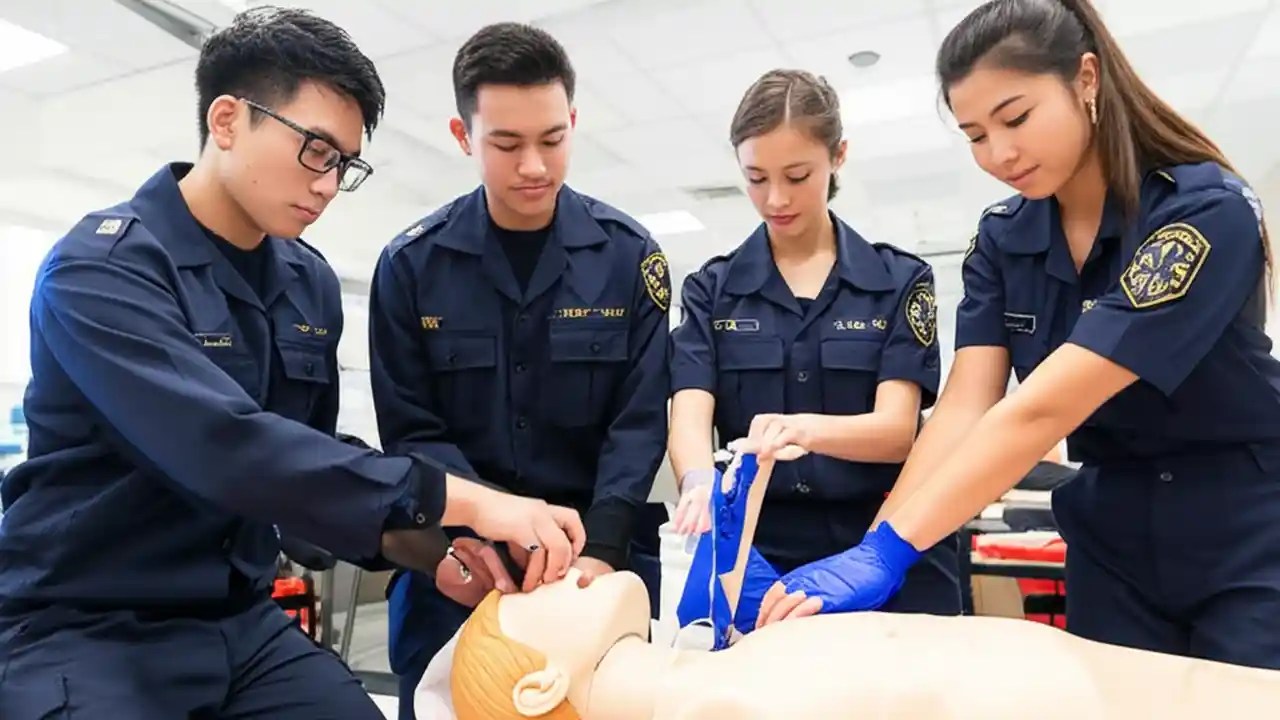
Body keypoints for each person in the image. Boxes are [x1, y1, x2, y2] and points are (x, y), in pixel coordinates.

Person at [0, 9, 583, 719]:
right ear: (226, 120)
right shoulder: (102, 271)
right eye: (315, 150)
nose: (329, 183)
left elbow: (305, 472)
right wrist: (476, 500)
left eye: (345, 163)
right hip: (87, 630)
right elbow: (228, 447)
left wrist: (433, 553)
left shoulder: (306, 283)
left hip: (239, 626)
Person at [751, 0, 1280, 671]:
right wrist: (881, 539)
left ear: (1086, 79)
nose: (998, 154)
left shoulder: (1203, 213)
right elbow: (966, 408)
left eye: (1016, 117)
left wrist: (889, 550)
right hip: (1111, 529)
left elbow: (1043, 408)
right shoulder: (1004, 238)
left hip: (1243, 521)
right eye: (974, 135)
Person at [369, 22, 671, 717]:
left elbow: (639, 419)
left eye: (552, 138)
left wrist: (600, 545)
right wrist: (478, 534)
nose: (533, 164)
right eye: (506, 144)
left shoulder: (629, 258)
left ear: (573, 122)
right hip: (463, 564)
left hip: (597, 563)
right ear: (462, 134)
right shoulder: (411, 267)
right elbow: (412, 427)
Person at [667, 68, 959, 625]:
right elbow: (690, 411)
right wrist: (699, 485)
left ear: (838, 156)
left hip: (877, 537)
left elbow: (896, 433)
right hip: (760, 542)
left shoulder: (898, 281)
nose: (775, 199)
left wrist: (800, 429)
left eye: (797, 175)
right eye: (755, 178)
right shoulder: (712, 290)